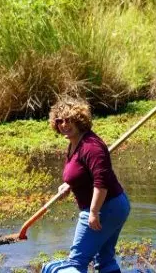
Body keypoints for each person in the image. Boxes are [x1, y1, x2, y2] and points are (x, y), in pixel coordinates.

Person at [41, 97, 130, 273]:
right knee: (104, 259)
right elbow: (81, 172)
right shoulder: (75, 143)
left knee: (75, 262)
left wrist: (94, 212)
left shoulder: (91, 146)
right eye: (60, 121)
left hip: (105, 208)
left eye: (69, 120)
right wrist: (69, 184)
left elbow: (101, 182)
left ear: (79, 120)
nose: (64, 125)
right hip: (114, 207)